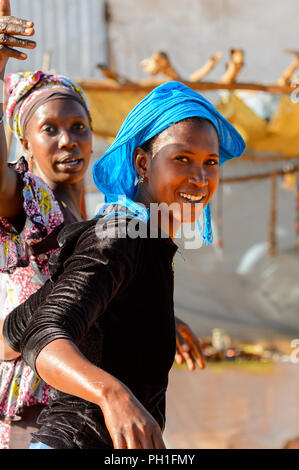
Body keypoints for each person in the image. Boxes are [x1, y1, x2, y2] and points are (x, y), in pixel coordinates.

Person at [0, 1, 205, 448]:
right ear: (24, 143)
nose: (68, 140)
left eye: (78, 127)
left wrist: (157, 314)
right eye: (50, 129)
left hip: (74, 385)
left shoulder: (95, 222)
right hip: (34, 395)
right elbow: (31, 332)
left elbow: (70, 297)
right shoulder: (24, 197)